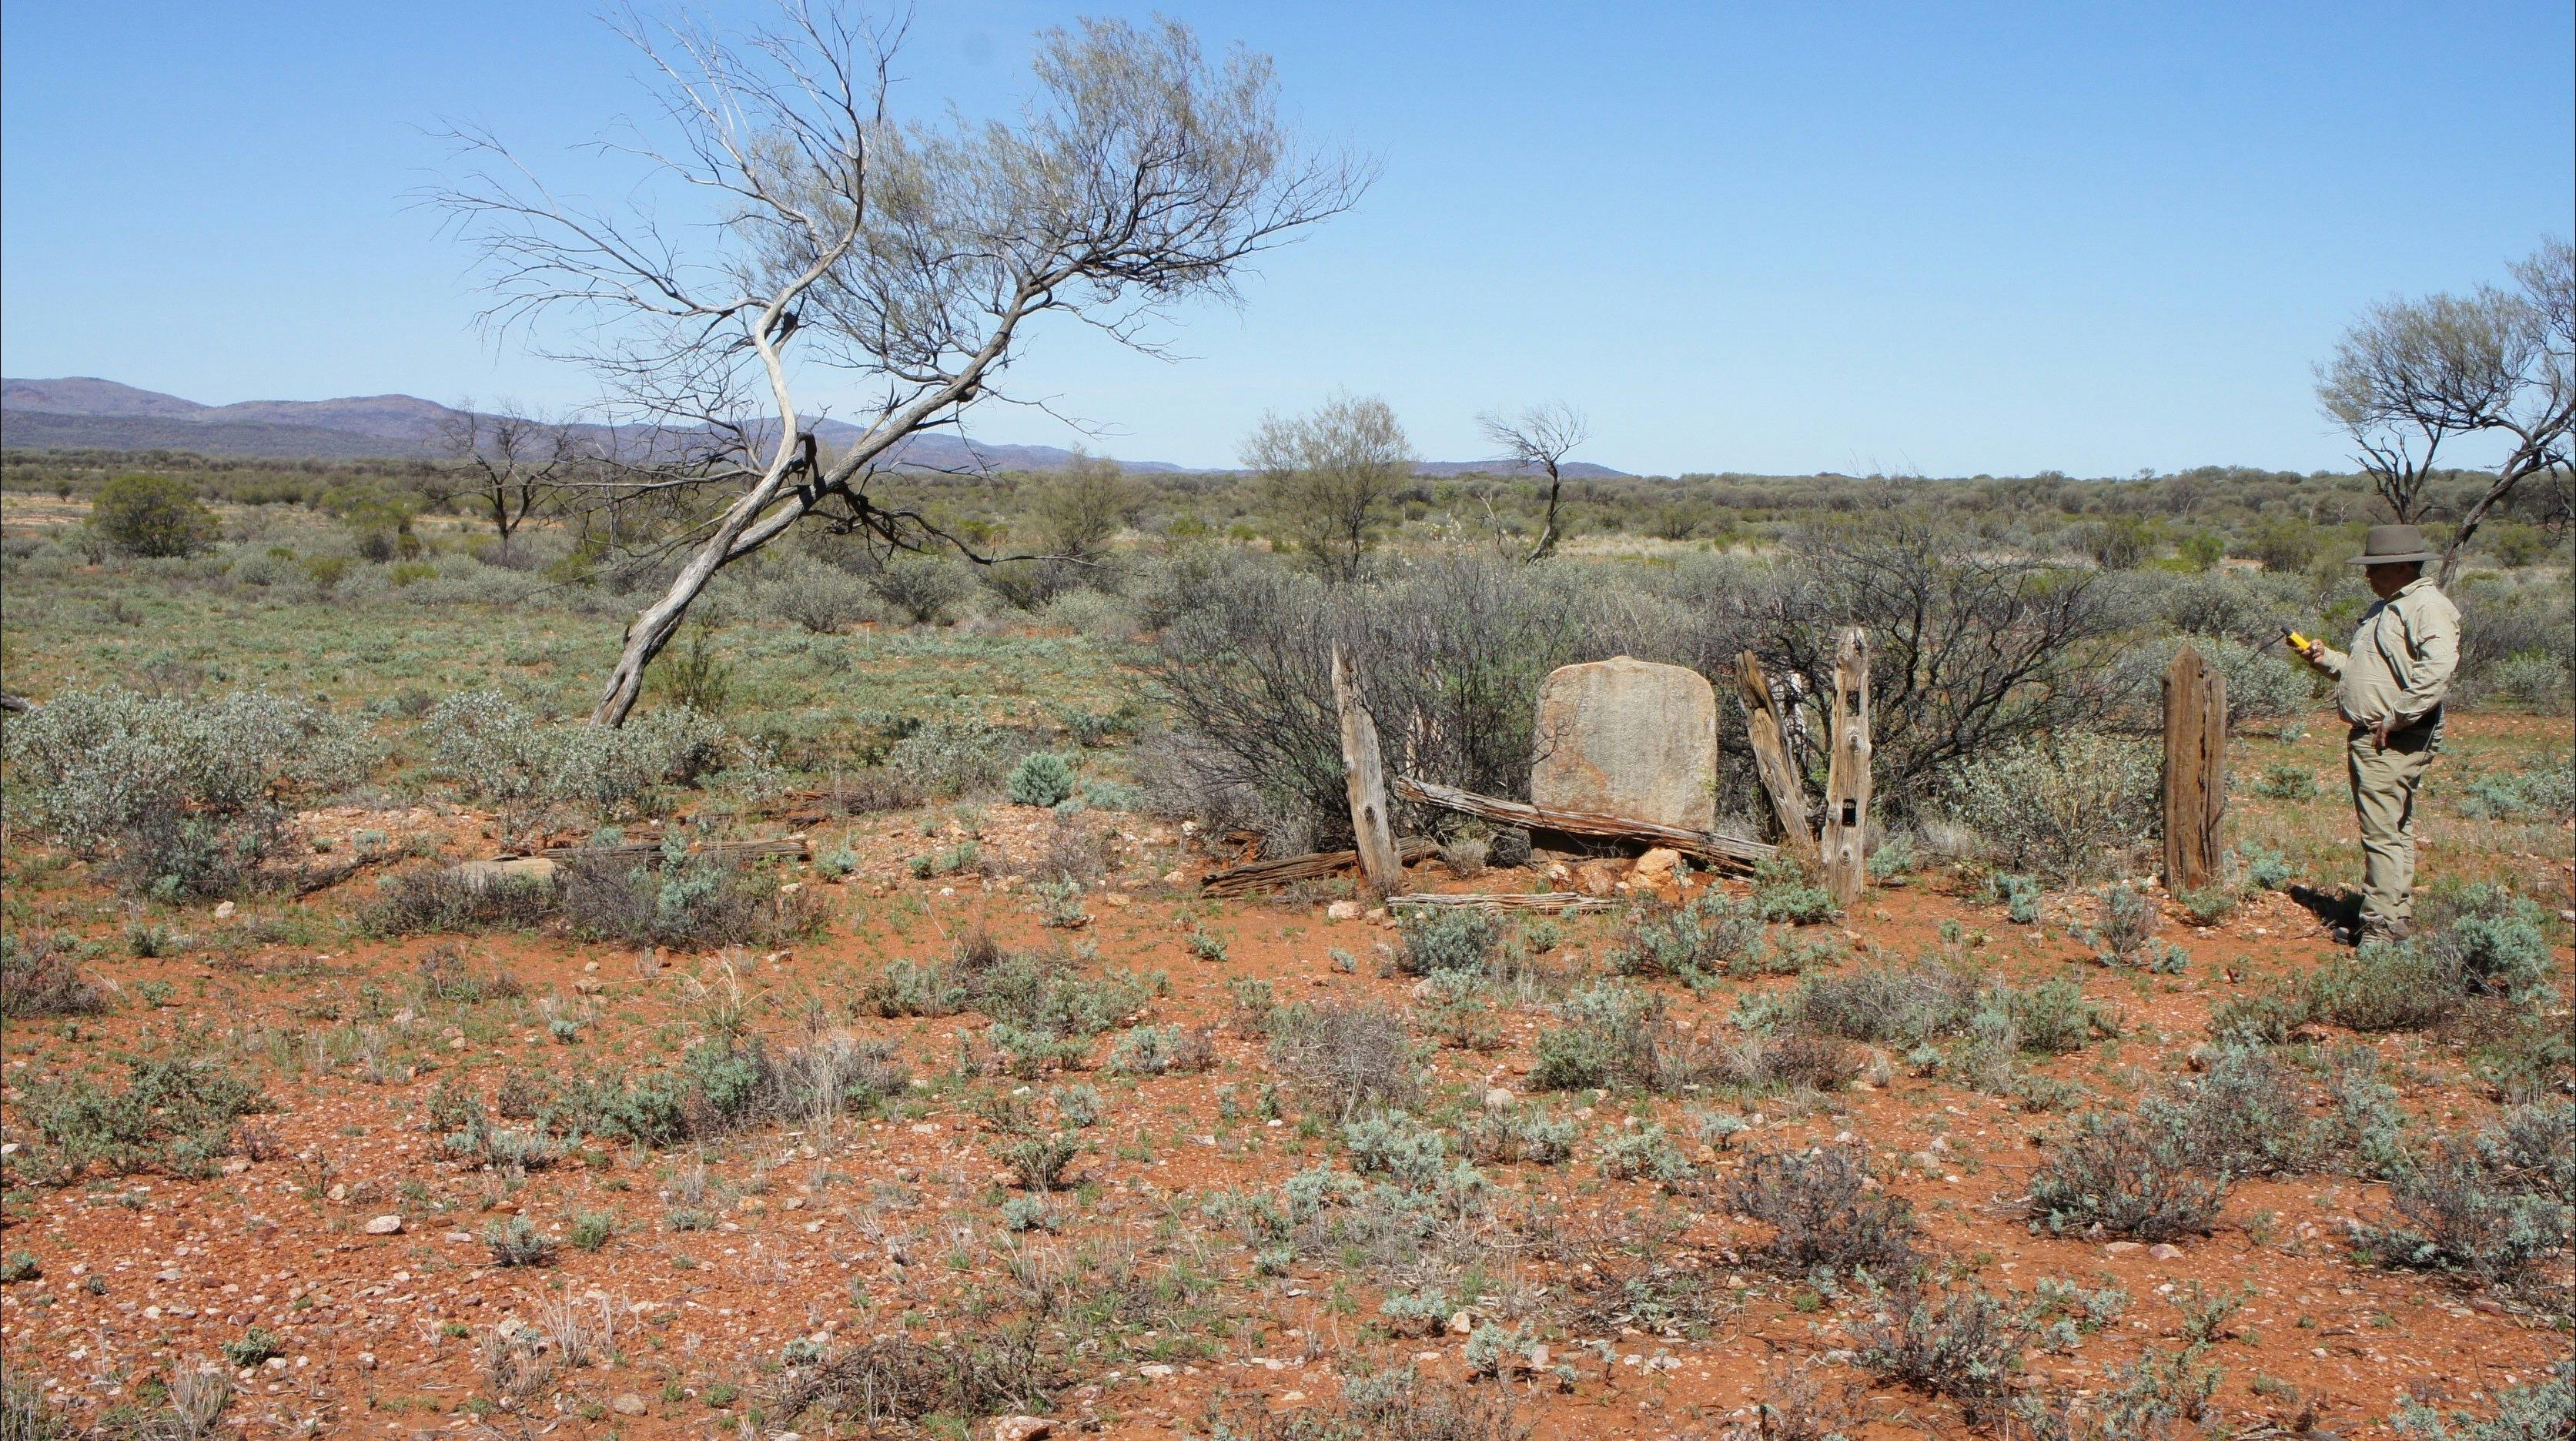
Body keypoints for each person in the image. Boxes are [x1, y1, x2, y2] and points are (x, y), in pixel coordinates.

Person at [2292, 524, 2460, 942]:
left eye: (2377, 568)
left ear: (2404, 565)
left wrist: (2395, 719)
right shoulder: (2385, 606)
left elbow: (2437, 670)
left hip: (2391, 737)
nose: (2369, 576)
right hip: (2379, 734)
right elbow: (2365, 669)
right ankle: (2394, 917)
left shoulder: (2427, 606)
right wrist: (2322, 658)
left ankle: (2380, 928)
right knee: (2393, 829)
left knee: (2382, 833)